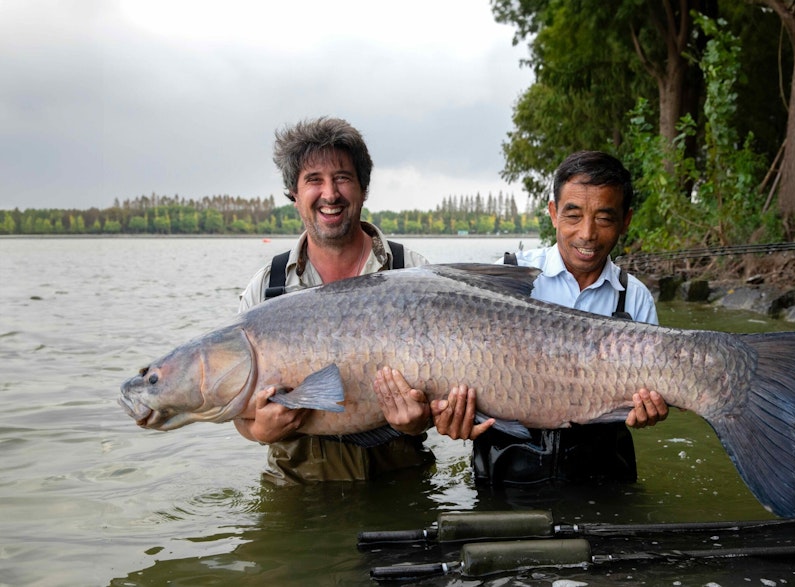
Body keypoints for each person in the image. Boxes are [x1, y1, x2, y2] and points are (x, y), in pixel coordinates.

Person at [375, 150, 669, 486]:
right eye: (573, 216)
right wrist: (450, 415)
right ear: (553, 213)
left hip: (603, 477)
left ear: (626, 220)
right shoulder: (505, 275)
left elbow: (650, 402)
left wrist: (650, 411)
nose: (587, 233)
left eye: (604, 218)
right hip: (506, 476)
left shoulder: (634, 296)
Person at [236, 116, 438, 484]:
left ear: (362, 188)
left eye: (342, 177)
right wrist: (259, 431)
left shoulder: (415, 272)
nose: (330, 194)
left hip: (401, 483)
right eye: (314, 180)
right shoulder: (266, 289)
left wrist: (422, 419)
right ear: (294, 195)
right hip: (298, 489)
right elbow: (238, 409)